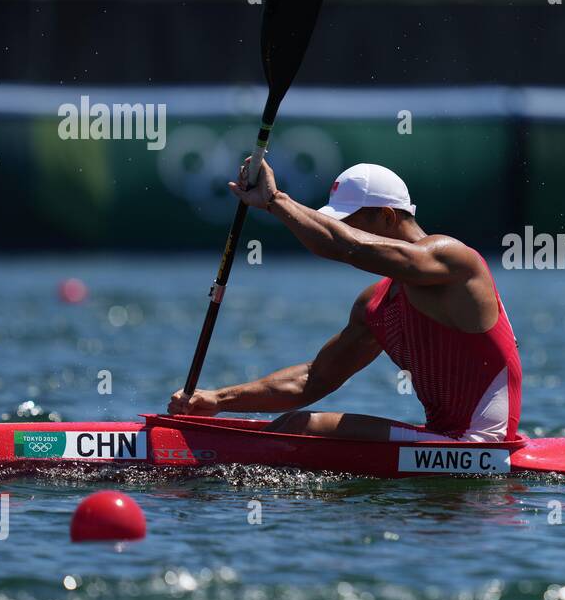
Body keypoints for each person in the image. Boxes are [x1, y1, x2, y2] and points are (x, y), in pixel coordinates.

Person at [168, 161, 522, 442]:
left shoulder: (454, 261)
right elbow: (313, 378)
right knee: (294, 425)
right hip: (441, 442)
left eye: (348, 223)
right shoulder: (376, 305)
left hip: (481, 445)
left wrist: (277, 201)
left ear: (387, 216)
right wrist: (218, 400)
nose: (340, 231)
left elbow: (348, 247)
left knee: (300, 428)